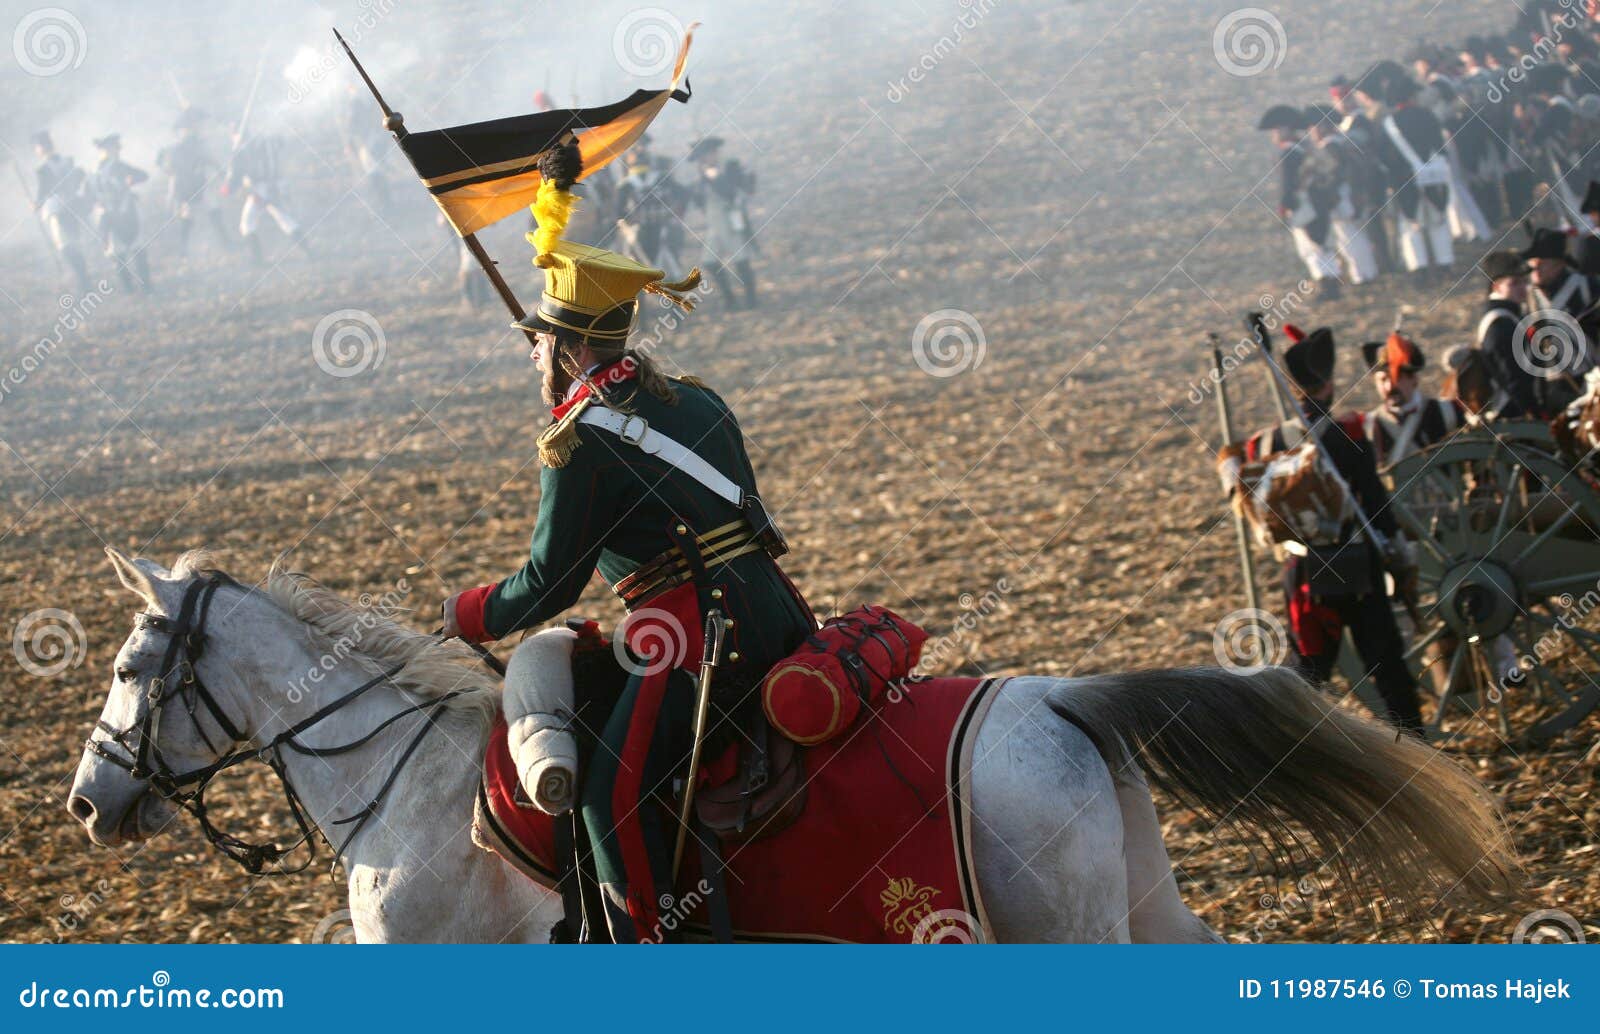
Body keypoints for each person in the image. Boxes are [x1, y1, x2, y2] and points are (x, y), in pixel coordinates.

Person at [441, 164, 813, 941]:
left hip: (696, 636)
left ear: (569, 348)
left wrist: (468, 614)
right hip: (777, 611)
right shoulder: (698, 397)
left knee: (613, 795)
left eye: (539, 344)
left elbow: (550, 581)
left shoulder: (579, 440)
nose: (532, 358)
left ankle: (647, 954)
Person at [1241, 326, 1424, 733]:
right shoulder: (1352, 434)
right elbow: (1376, 503)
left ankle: (1290, 749)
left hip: (1306, 571)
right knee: (1386, 665)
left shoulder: (1267, 441)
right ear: (1328, 383)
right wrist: (1397, 550)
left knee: (1309, 674)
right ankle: (1416, 748)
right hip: (1359, 564)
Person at [1257, 105, 1342, 298]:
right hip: (1319, 202)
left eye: (1276, 130)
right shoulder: (1306, 147)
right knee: (1323, 244)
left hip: (1304, 205)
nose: (1274, 134)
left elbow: (1287, 185)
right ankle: (1332, 282)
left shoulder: (1289, 153)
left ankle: (1327, 286)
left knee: (1311, 247)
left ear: (1286, 129)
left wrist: (1285, 206)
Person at [1359, 332, 1460, 466]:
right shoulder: (1370, 427)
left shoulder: (1447, 412)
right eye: (1383, 380)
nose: (1389, 387)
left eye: (1397, 378)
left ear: (1414, 379)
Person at [1475, 250, 1549, 419]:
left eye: (1524, 282)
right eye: (1514, 283)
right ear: (1496, 286)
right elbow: (1512, 377)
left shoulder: (1512, 317)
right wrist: (1533, 411)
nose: (1522, 288)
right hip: (1511, 411)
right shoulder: (1499, 323)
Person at [688, 136, 760, 309]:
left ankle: (751, 298)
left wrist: (714, 177)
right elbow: (698, 201)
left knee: (741, 259)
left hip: (730, 221)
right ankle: (730, 299)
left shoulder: (728, 169)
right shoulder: (702, 177)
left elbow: (730, 192)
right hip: (714, 224)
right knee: (709, 261)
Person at [157, 106, 232, 257]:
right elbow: (168, 166)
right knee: (187, 217)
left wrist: (221, 172)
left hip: (200, 184)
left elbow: (209, 159)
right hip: (185, 187)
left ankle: (226, 243)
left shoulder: (198, 143)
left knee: (214, 211)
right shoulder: (176, 149)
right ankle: (182, 249)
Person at [224, 132, 308, 264]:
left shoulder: (243, 150)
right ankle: (309, 251)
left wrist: (230, 185)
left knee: (247, 223)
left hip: (260, 188)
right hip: (277, 185)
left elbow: (237, 174)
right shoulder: (266, 140)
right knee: (285, 219)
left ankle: (257, 260)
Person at [87, 134, 153, 294]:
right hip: (108, 216)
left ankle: (147, 287)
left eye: (116, 148)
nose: (117, 151)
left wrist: (131, 180)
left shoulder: (120, 166)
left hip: (126, 212)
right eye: (113, 148)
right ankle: (129, 289)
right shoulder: (94, 171)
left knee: (137, 249)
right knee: (117, 254)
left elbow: (143, 175)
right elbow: (89, 194)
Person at [30, 131, 92, 294]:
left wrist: (37, 204)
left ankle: (83, 281)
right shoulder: (68, 161)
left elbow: (45, 189)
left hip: (58, 209)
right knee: (73, 244)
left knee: (66, 246)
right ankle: (83, 279)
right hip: (72, 206)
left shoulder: (43, 168)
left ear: (40, 148)